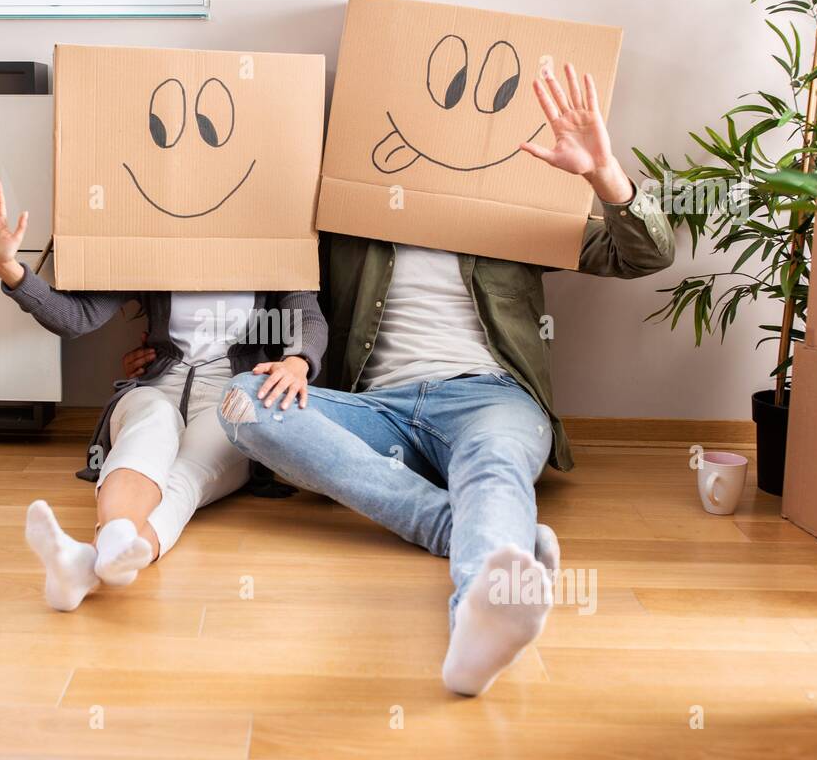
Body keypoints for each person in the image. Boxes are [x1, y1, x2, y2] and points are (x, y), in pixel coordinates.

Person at [213, 65, 676, 695]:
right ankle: (465, 528)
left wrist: (602, 171)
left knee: (492, 464)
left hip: (492, 399)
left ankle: (476, 627)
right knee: (243, 403)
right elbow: (274, 282)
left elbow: (645, 254)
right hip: (379, 411)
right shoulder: (349, 217)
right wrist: (170, 343)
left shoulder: (513, 213)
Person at [0, 179, 327, 611]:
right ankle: (111, 549)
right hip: (158, 384)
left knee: (189, 471)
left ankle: (87, 562)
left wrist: (298, 361)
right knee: (152, 421)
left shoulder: (272, 246)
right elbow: (76, 317)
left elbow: (307, 314)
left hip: (232, 397)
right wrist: (11, 270)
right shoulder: (154, 244)